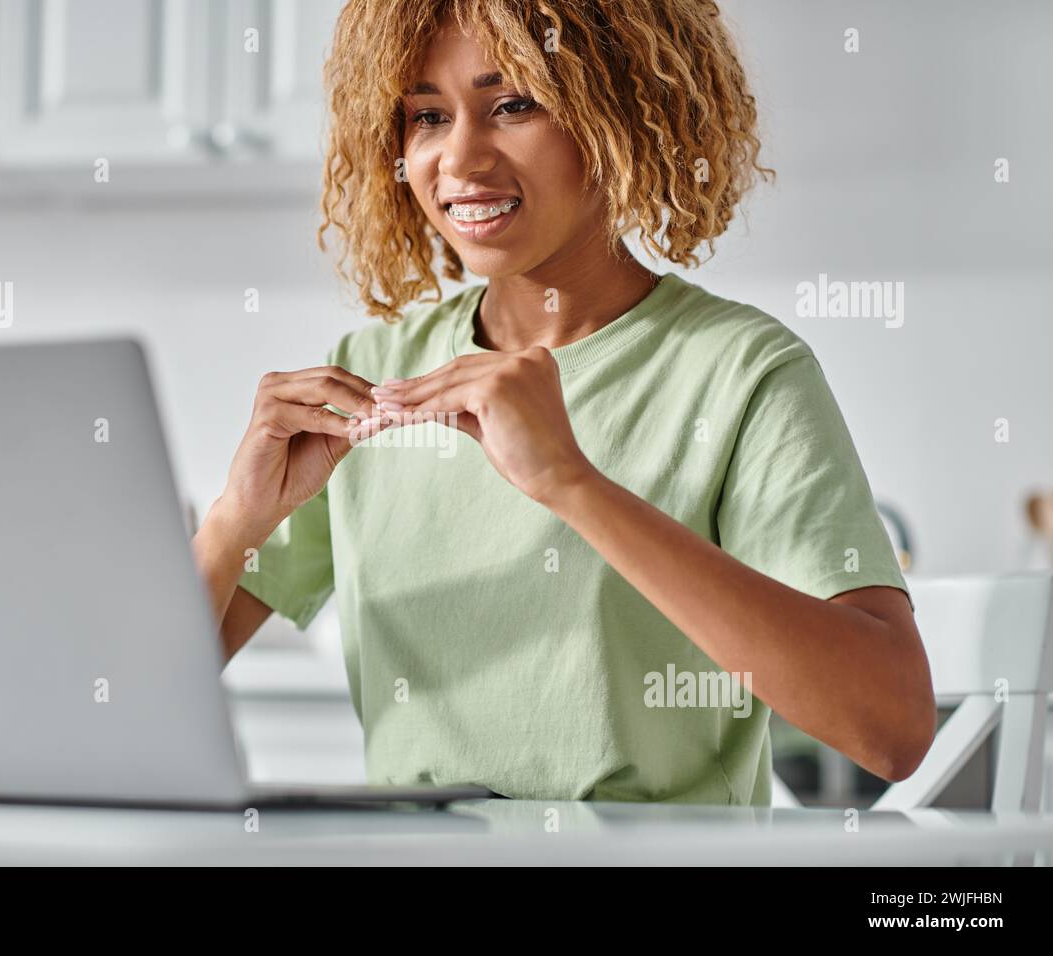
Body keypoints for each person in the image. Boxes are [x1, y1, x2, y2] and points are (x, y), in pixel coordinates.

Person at [192, 0, 935, 805]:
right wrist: (236, 520)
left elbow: (890, 729)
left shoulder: (740, 372)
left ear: (618, 108)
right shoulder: (370, 377)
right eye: (428, 116)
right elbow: (129, 699)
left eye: (513, 104)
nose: (460, 159)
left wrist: (570, 484)